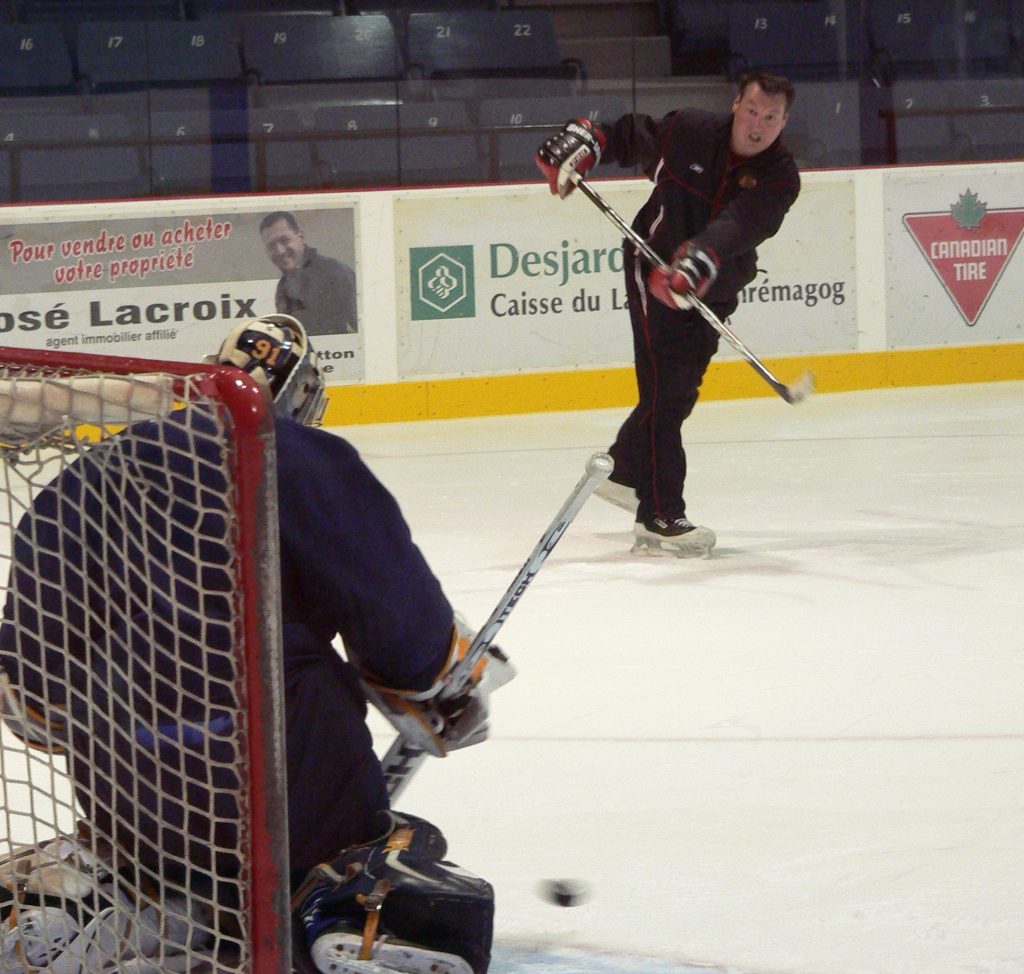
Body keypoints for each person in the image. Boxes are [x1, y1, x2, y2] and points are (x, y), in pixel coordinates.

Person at [0, 316, 504, 974]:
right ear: (298, 400)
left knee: (146, 823)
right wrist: (449, 691)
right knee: (401, 838)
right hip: (280, 786)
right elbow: (413, 645)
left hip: (126, 798)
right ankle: (343, 904)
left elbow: (29, 703)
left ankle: (128, 897)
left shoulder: (81, 480)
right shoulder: (304, 460)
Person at [536, 72, 801, 557]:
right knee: (667, 389)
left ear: (784, 121)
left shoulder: (781, 176)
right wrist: (591, 139)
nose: (758, 125)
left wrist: (700, 257)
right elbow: (629, 135)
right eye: (752, 111)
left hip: (715, 285)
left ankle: (624, 470)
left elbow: (743, 223)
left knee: (678, 390)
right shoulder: (691, 130)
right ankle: (659, 515)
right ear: (736, 103)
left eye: (771, 117)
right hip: (650, 264)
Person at [260, 210, 359, 335]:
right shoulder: (282, 287)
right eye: (271, 246)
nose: (280, 250)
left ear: (300, 237)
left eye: (284, 240)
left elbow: (365, 330)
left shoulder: (335, 271)